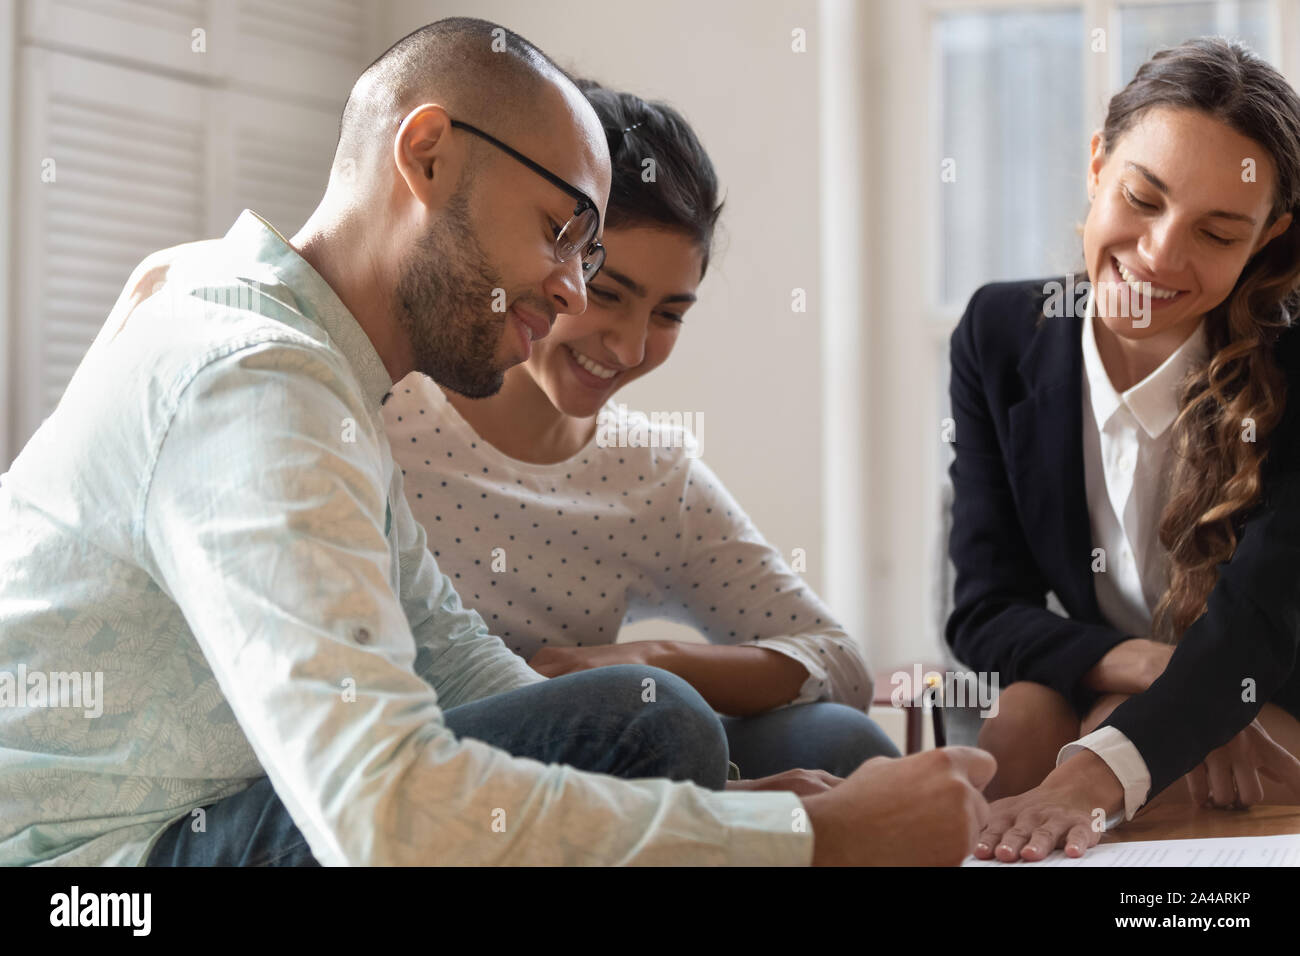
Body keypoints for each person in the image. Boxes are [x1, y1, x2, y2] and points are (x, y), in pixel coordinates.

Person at [0, 16, 993, 866]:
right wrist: (805, 840)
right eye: (562, 232)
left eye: (589, 253)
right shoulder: (256, 378)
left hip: (202, 818)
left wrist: (737, 802)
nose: (570, 289)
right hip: (102, 873)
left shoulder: (318, 363)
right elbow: (382, 810)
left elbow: (455, 654)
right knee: (652, 733)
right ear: (427, 155)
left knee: (654, 718)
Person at [382, 79, 897, 786]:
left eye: (669, 314)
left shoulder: (648, 473)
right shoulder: (384, 416)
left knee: (836, 740)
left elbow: (838, 663)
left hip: (601, 766)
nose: (628, 348)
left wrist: (649, 660)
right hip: (421, 779)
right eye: (611, 292)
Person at [945, 37, 1300, 863]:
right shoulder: (1001, 334)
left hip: (1274, 691)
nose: (1161, 255)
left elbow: (1253, 637)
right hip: (1119, 680)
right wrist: (1144, 664)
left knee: (1103, 731)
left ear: (1268, 238)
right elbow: (986, 609)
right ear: (1099, 163)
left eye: (1216, 233)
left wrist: (1095, 774)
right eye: (1143, 198)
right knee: (1029, 712)